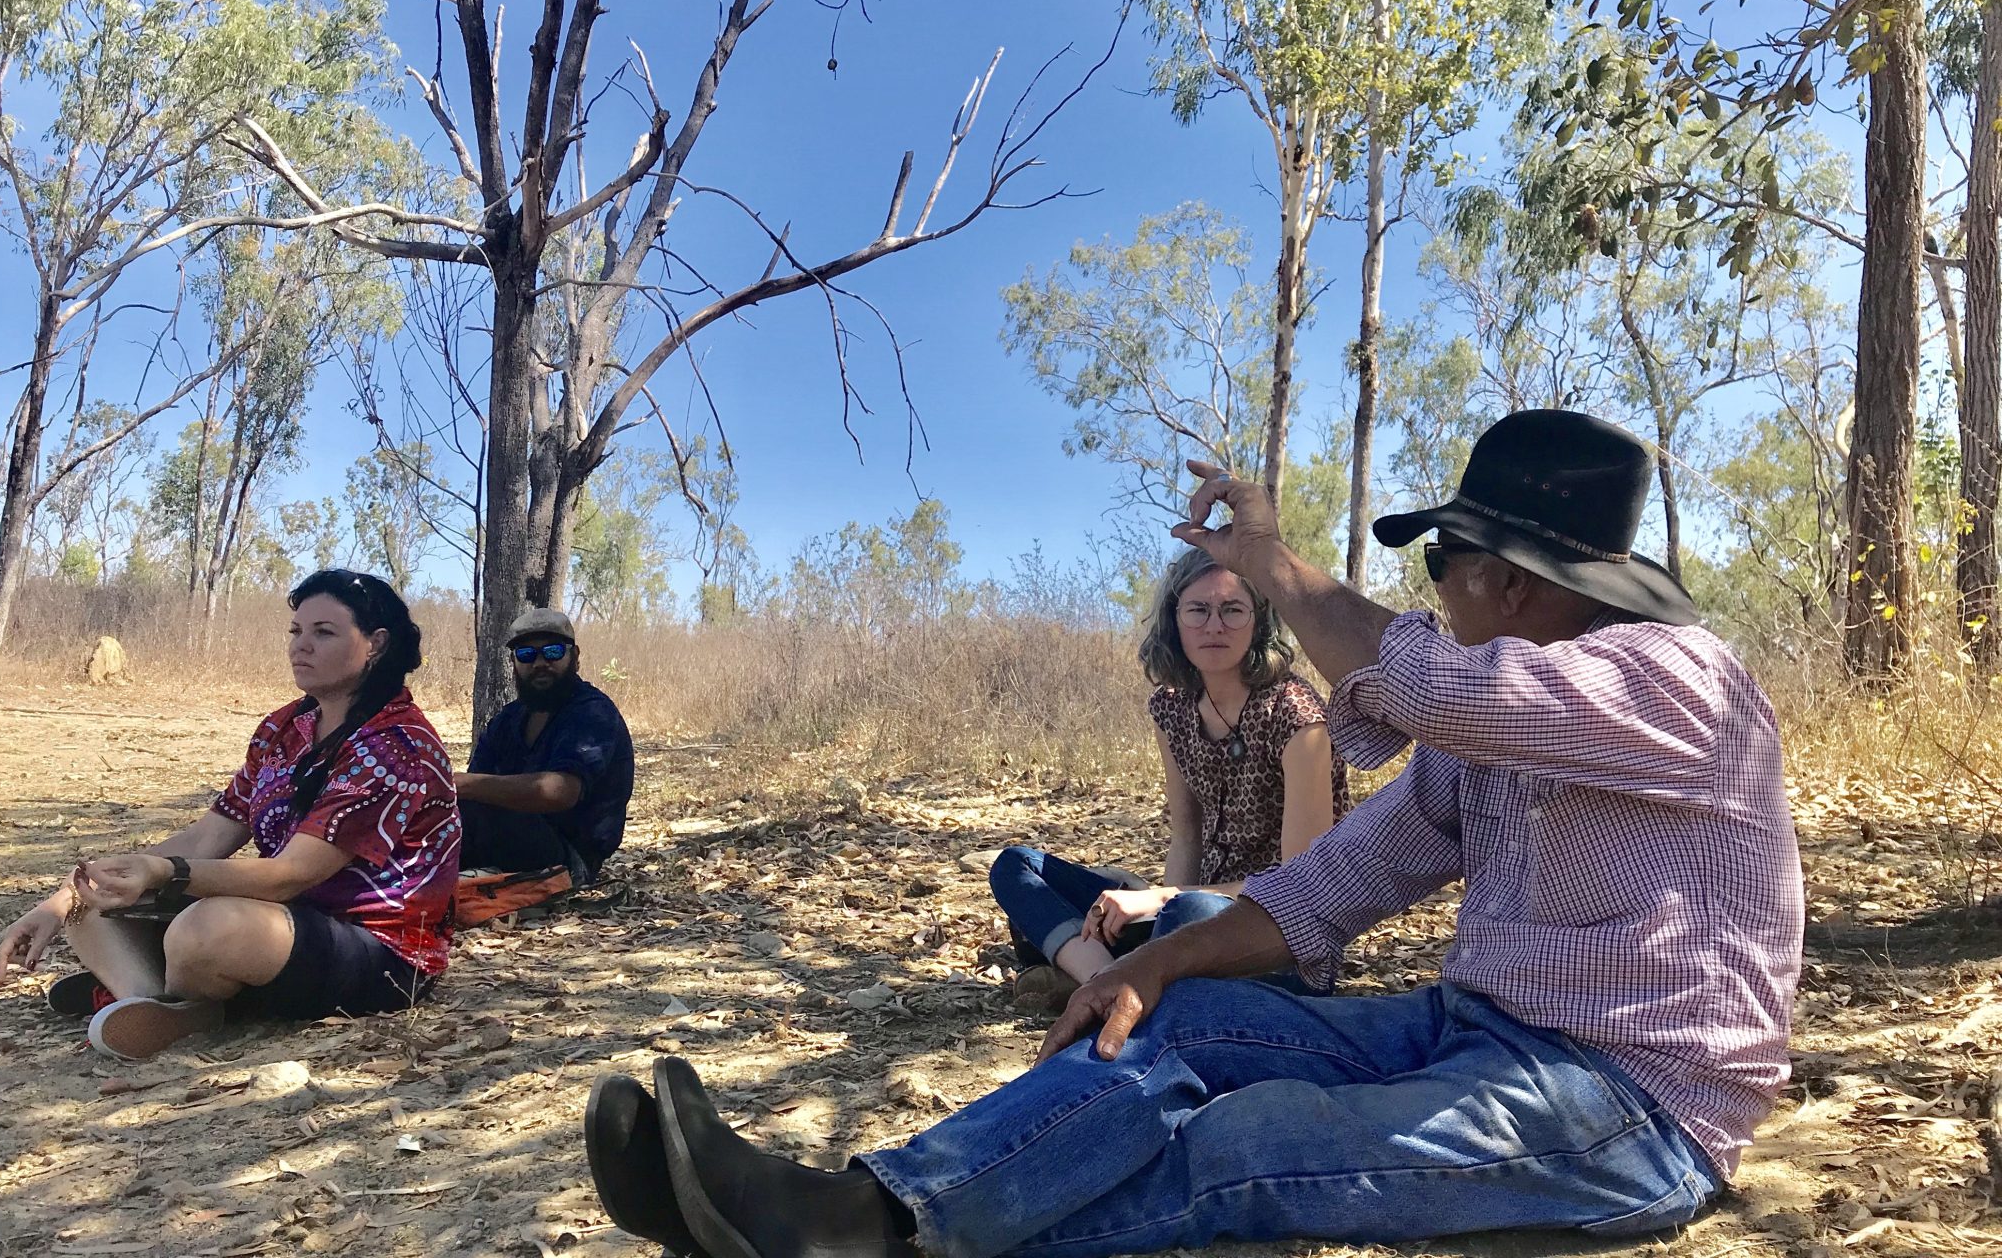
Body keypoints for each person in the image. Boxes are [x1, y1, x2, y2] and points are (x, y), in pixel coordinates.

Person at [581, 409, 1805, 1257]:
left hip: (1628, 1104)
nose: (1434, 582)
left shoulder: (1677, 680)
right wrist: (1152, 962)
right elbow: (1335, 879)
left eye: (1444, 556)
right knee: (1178, 1019)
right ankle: (864, 1206)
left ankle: (863, 1238)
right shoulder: (1486, 733)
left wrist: (1274, 564)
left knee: (1247, 1141)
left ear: (1513, 580)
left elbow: (1426, 685)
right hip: (1470, 1029)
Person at [0, 570, 460, 1061]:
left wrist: (165, 873)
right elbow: (206, 839)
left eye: (324, 632)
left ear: (376, 645)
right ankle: (153, 1003)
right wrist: (61, 899)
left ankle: (156, 989)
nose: (301, 646)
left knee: (206, 927)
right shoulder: (285, 727)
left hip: (379, 949)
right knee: (90, 896)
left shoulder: (397, 746)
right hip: (281, 921)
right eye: (296, 631)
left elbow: (292, 874)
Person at [989, 547, 1345, 1010]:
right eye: (1197, 610)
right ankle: (1107, 981)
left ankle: (1099, 977)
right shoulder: (1171, 707)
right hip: (1191, 913)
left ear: (1258, 622)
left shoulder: (1298, 717)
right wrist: (1159, 920)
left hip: (1274, 935)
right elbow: (1187, 836)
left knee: (1185, 911)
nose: (1214, 626)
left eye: (1232, 610)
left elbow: (1300, 884)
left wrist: (1163, 902)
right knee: (1017, 866)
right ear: (1174, 621)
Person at [453, 607, 634, 913]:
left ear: (575, 656)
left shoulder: (593, 712)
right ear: (514, 663)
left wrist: (459, 784)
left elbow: (561, 791)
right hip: (506, 842)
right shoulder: (508, 719)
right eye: (526, 654)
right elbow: (471, 797)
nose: (539, 663)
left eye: (552, 652)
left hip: (567, 860)